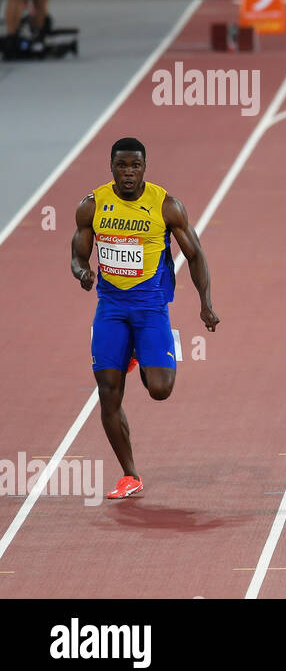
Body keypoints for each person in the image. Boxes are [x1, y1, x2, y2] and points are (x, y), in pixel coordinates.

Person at [71, 137, 219, 499]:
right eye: (121, 166)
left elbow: (195, 255)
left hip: (151, 307)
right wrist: (81, 273)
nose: (128, 173)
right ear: (111, 167)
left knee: (160, 390)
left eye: (135, 166)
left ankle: (140, 352)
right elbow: (77, 253)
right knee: (108, 393)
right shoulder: (92, 206)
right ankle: (130, 474)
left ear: (144, 167)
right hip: (110, 307)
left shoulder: (167, 206)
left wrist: (205, 303)